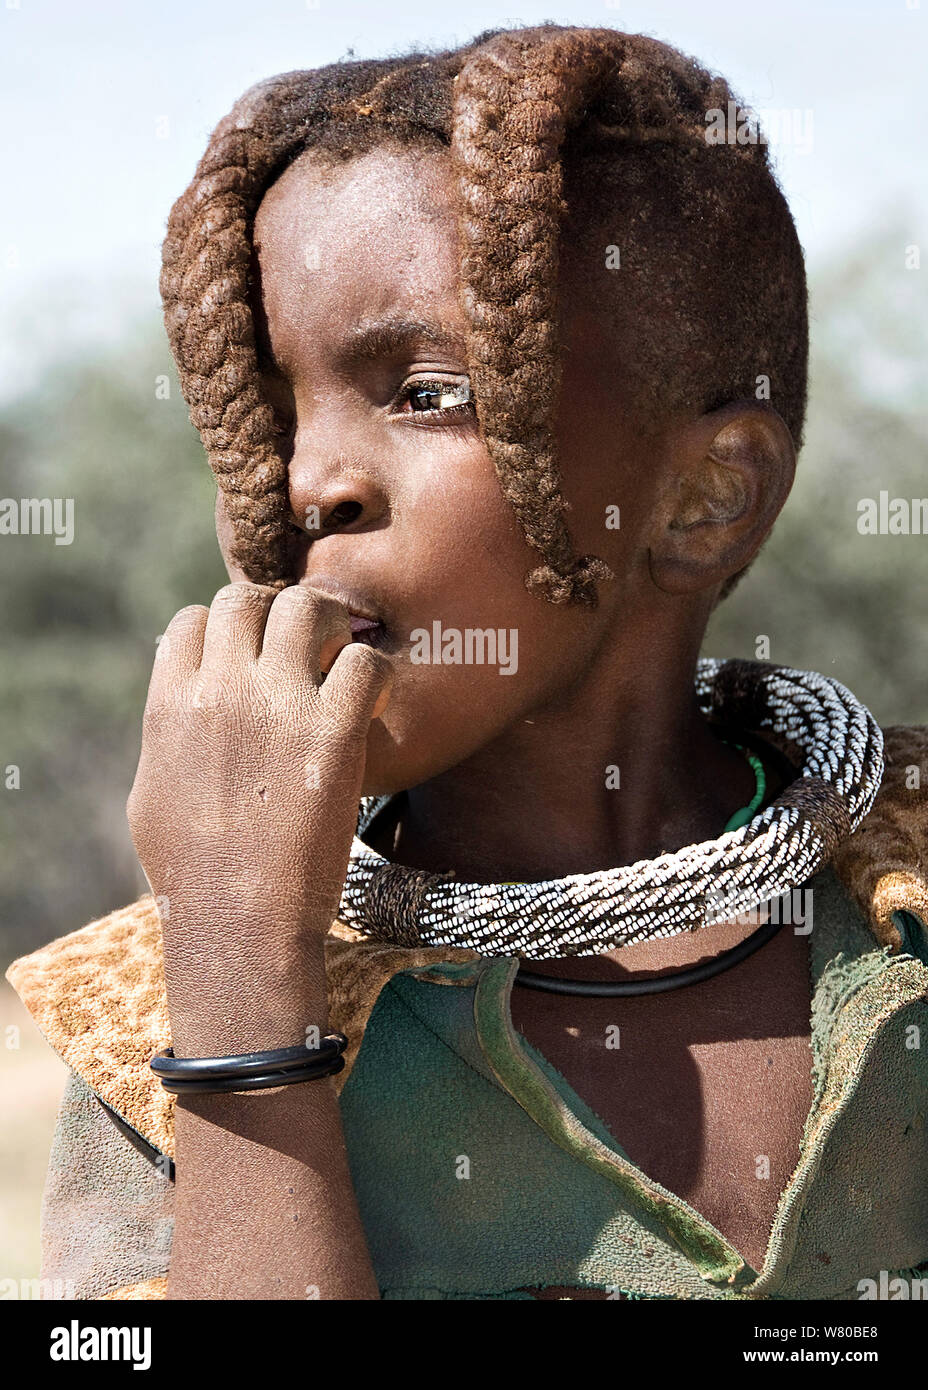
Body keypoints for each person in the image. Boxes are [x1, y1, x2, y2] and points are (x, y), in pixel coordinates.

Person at [8, 22, 928, 1301]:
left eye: (426, 391)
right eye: (270, 413)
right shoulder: (151, 1013)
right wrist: (238, 982)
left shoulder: (903, 903)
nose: (311, 479)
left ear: (706, 496)